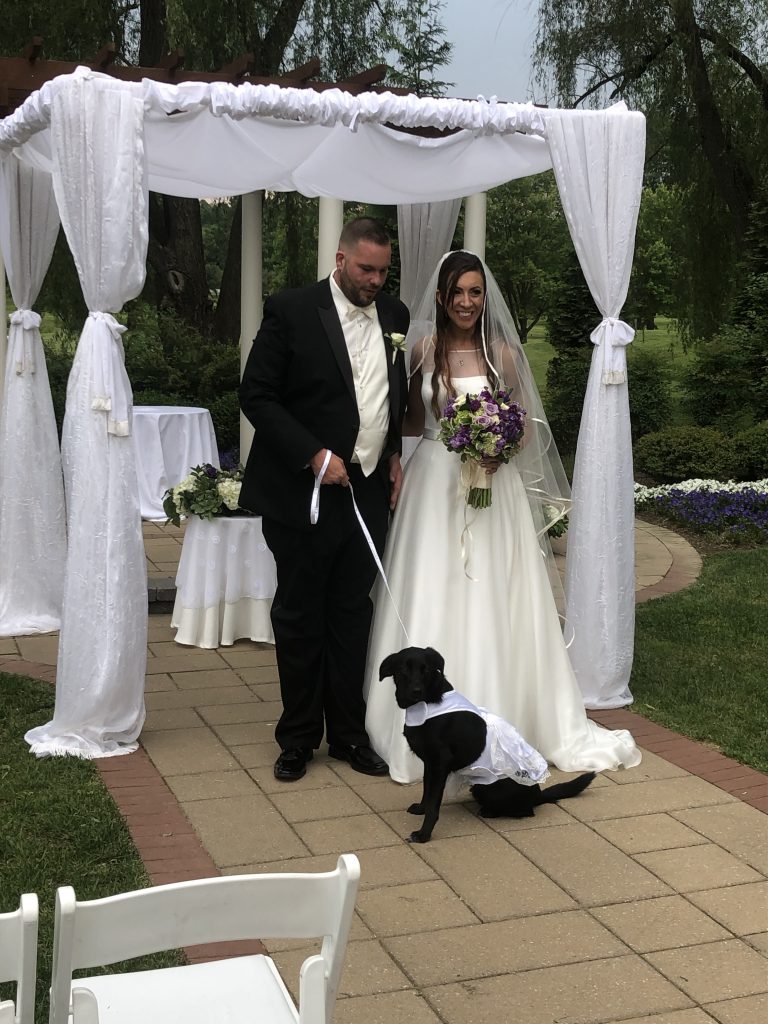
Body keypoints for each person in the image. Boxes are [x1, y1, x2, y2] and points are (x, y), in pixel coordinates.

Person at [363, 250, 641, 783]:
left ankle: (506, 708)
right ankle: (418, 722)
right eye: (457, 293)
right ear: (441, 298)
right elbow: (414, 420)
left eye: (476, 292)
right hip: (435, 486)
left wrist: (499, 447)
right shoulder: (422, 351)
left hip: (493, 485)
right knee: (436, 582)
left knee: (495, 588)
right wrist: (402, 464)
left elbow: (524, 424)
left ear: (483, 298)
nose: (467, 302)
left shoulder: (503, 357)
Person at [239, 217, 409, 782]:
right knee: (299, 615)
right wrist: (313, 454)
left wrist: (389, 454)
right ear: (340, 259)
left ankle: (349, 735)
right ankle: (297, 737)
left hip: (364, 489)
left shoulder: (395, 317)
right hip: (304, 492)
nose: (375, 280)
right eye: (366, 269)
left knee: (351, 615)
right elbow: (255, 394)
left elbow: (391, 393)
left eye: (384, 271)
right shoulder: (291, 309)